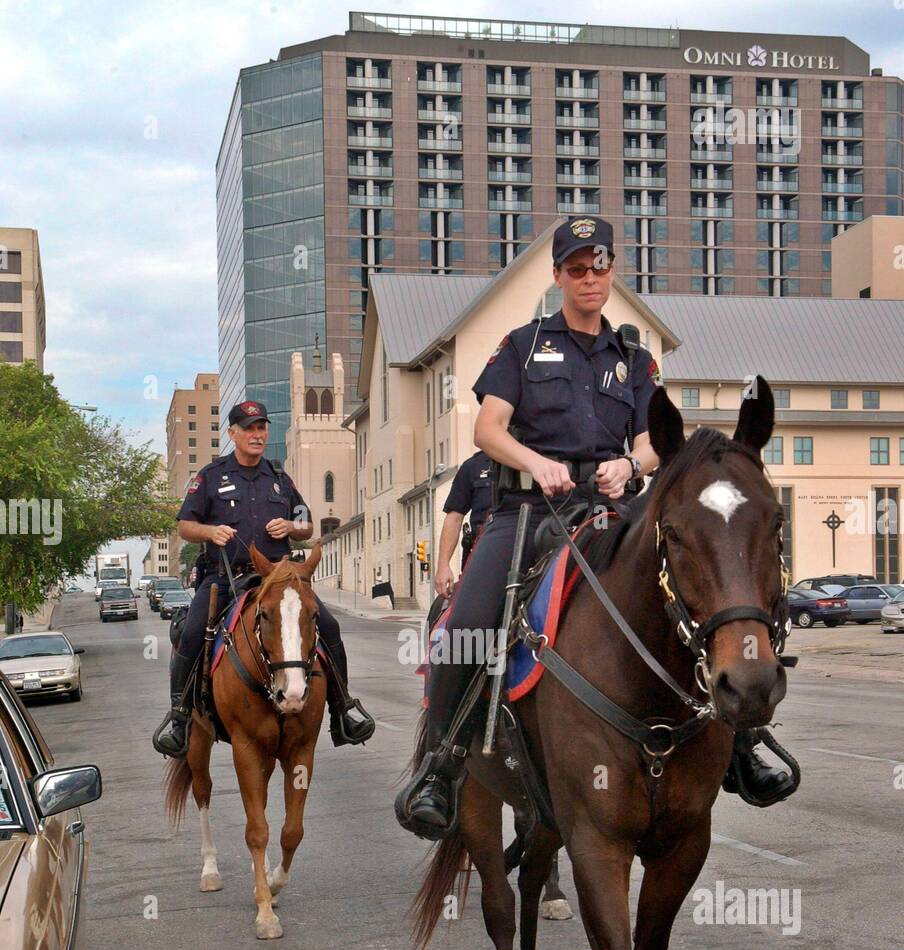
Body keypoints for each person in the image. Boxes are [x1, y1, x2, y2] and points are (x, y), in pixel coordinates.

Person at [397, 215, 792, 840]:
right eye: (576, 267)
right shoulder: (522, 345)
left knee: (690, 588)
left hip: (610, 510)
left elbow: (652, 441)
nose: (589, 277)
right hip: (526, 512)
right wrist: (536, 463)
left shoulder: (634, 358)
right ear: (558, 276)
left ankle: (740, 746)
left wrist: (630, 464)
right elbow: (487, 429)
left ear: (612, 272)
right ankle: (441, 766)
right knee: (466, 623)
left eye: (599, 265)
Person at [152, 399, 374, 758]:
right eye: (249, 428)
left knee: (328, 627)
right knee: (193, 632)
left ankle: (342, 708)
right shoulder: (211, 476)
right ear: (233, 433)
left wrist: (290, 525)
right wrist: (210, 532)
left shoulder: (280, 480)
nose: (257, 434)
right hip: (225, 577)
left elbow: (307, 524)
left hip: (278, 580)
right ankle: (179, 717)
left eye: (261, 428)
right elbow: (184, 525)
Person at [434, 449, 494, 599]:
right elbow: (454, 518)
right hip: (484, 557)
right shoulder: (473, 466)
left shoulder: (545, 459)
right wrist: (443, 565)